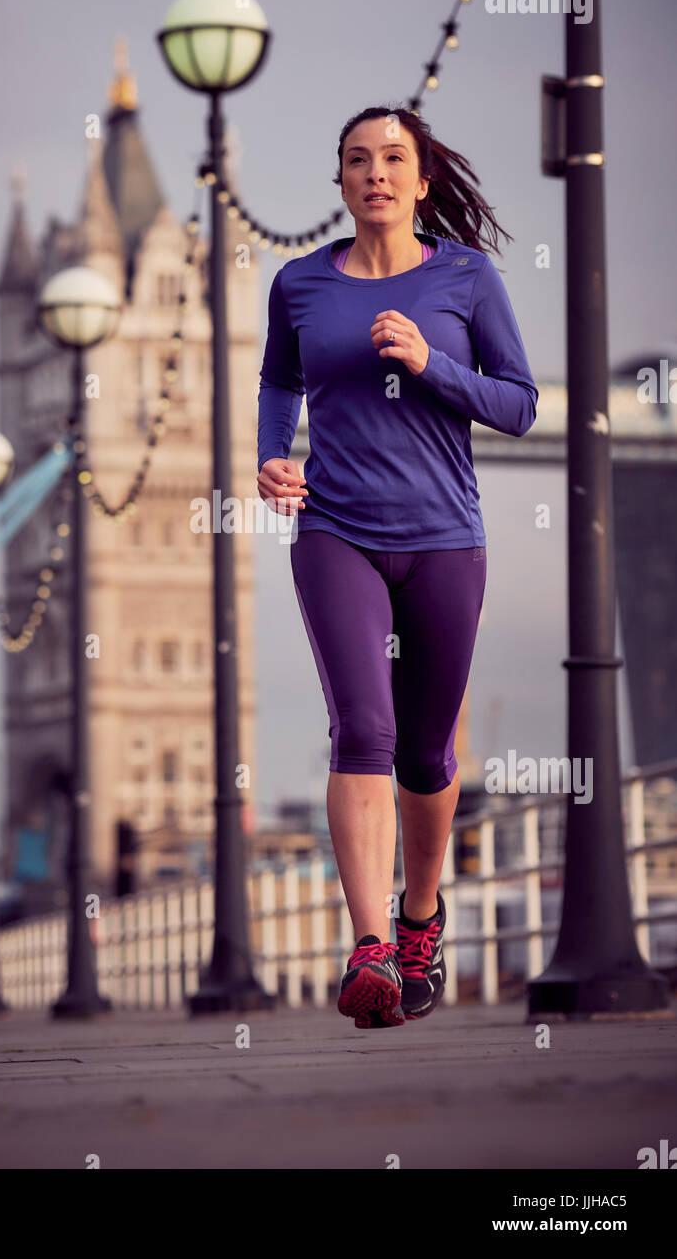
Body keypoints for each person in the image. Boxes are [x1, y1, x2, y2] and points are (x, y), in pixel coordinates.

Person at [256, 105, 538, 1029]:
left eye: (392, 159)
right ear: (339, 181)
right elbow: (278, 380)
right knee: (363, 730)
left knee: (427, 751)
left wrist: (428, 364)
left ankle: (421, 917)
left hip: (446, 540)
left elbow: (521, 405)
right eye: (355, 159)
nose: (373, 172)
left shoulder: (466, 277)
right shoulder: (301, 284)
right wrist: (273, 456)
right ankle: (371, 945)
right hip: (337, 531)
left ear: (421, 182)